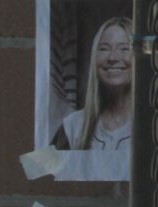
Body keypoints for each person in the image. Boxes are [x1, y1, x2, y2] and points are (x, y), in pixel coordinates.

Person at [52, 17, 133, 152]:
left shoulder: (157, 127)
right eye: (104, 49)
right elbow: (34, 168)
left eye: (124, 49)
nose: (113, 58)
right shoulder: (74, 126)